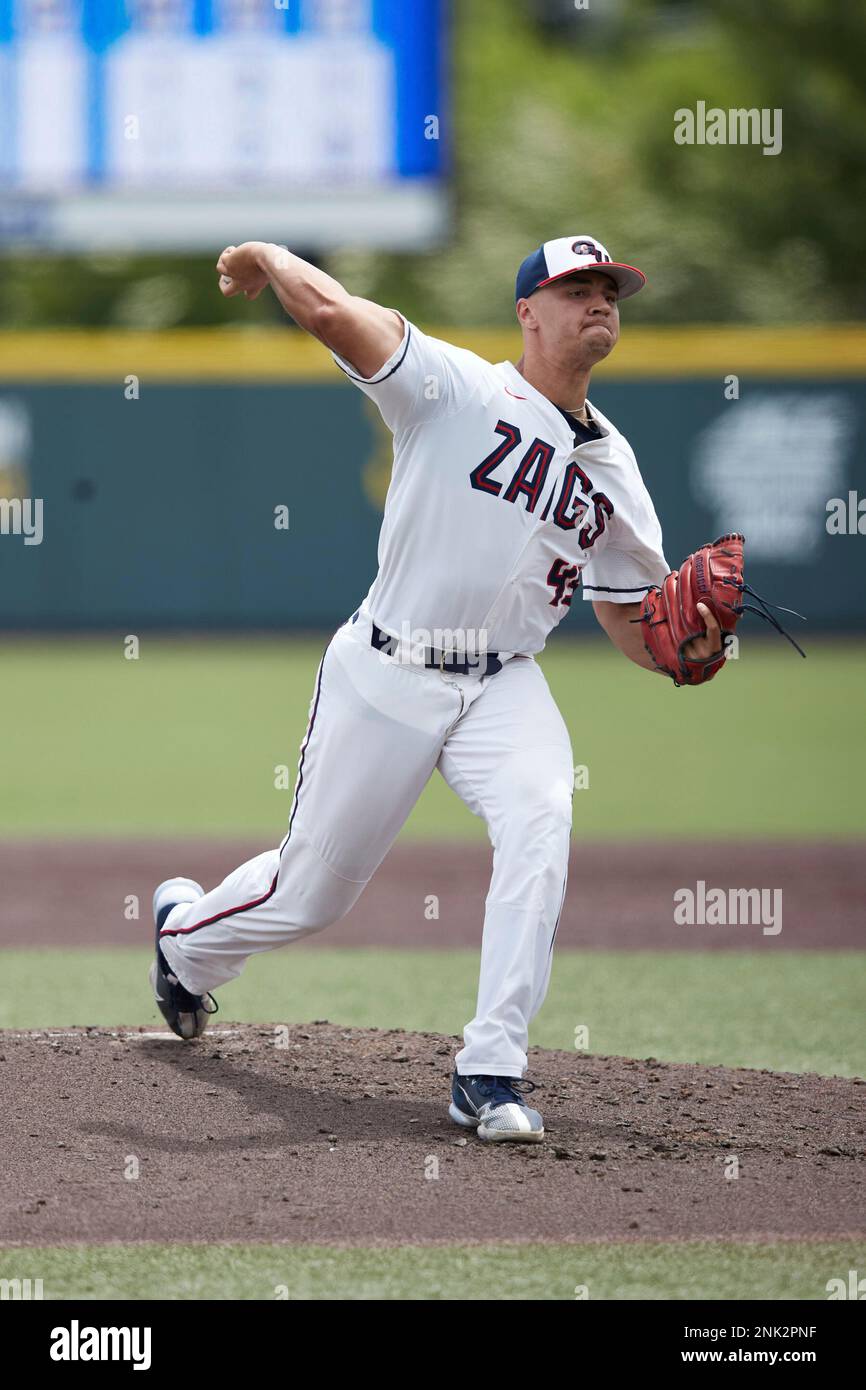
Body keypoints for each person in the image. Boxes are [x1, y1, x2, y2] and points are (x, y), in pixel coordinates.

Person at [150, 234, 723, 1144]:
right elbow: (338, 315)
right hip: (390, 669)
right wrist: (268, 253)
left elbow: (627, 617)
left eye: (609, 288)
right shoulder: (454, 388)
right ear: (528, 311)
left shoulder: (616, 472)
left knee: (542, 819)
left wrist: (682, 650)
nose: (600, 301)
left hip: (504, 683)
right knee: (311, 896)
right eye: (577, 287)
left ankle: (489, 1070)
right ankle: (183, 939)